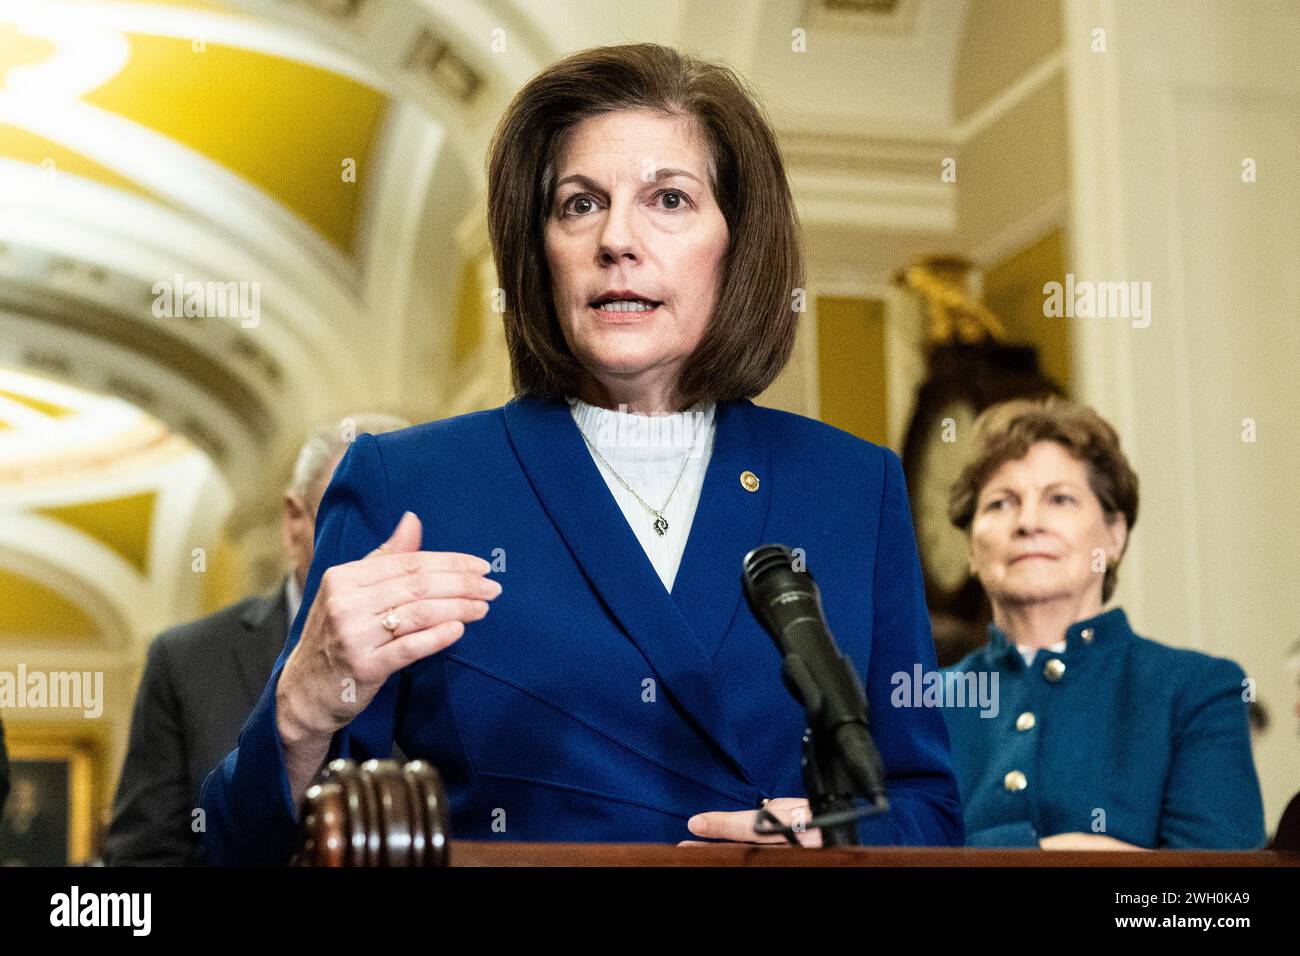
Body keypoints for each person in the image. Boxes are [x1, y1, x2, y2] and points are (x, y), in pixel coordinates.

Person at [201, 43, 963, 864]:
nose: (617, 241)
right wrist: (300, 710)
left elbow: (926, 809)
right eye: (579, 204)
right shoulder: (409, 485)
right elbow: (247, 849)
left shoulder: (852, 488)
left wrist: (841, 839)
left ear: (736, 243)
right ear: (541, 253)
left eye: (669, 199)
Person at [940, 396, 1266, 848]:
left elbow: (1213, 898)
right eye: (1000, 503)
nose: (1029, 522)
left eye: (1060, 499)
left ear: (1114, 536)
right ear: (972, 551)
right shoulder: (921, 704)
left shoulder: (1198, 690)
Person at [104, 413, 407, 864]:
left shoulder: (474, 652)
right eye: (350, 516)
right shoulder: (187, 661)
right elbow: (143, 860)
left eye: (403, 521)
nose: (382, 545)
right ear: (292, 522)